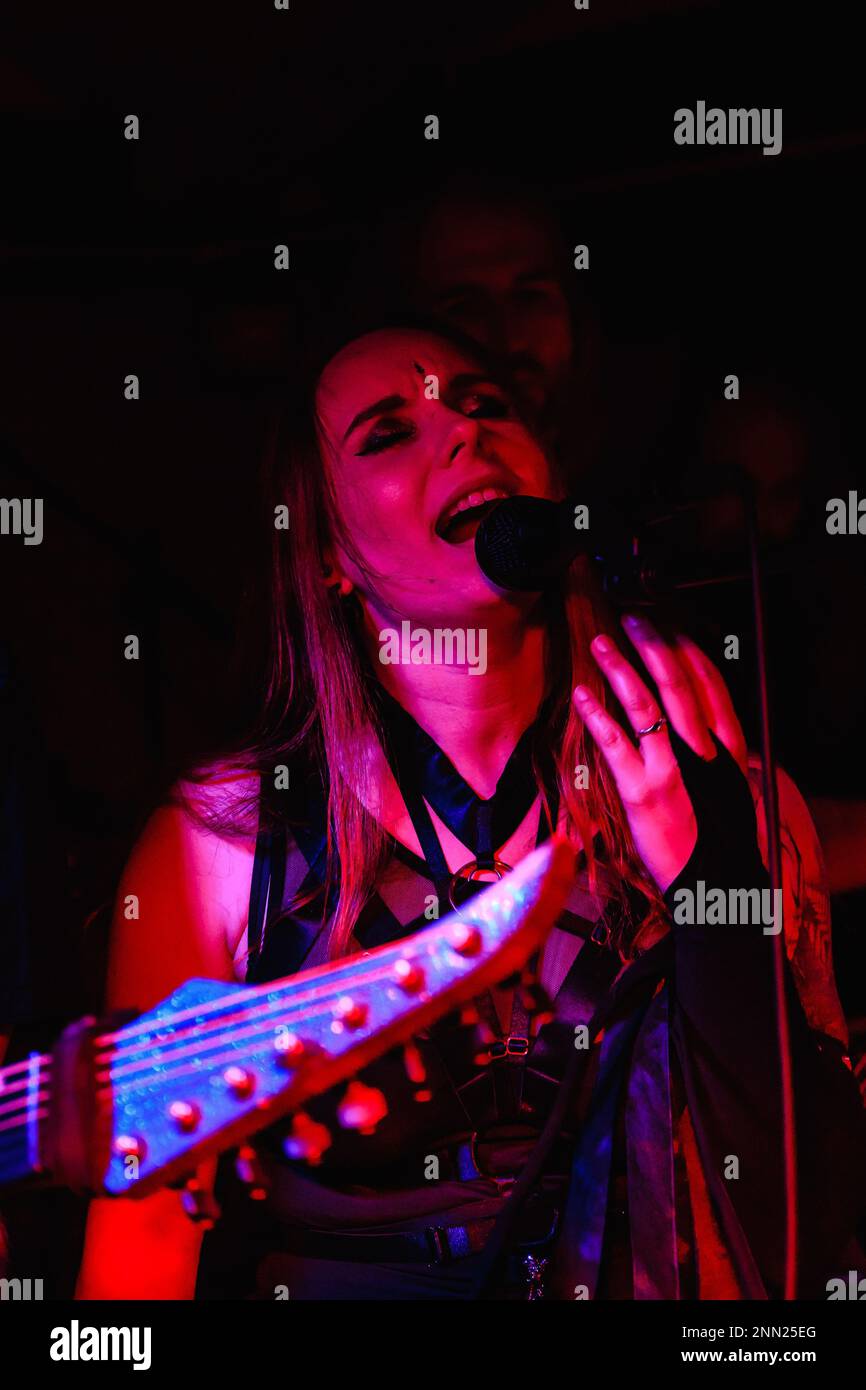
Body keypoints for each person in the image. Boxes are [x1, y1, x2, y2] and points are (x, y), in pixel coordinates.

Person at [76, 321, 865, 1300]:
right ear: (323, 554)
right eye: (386, 433)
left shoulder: (730, 796)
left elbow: (807, 1225)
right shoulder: (219, 846)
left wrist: (716, 901)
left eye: (485, 405)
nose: (461, 431)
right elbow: (138, 1258)